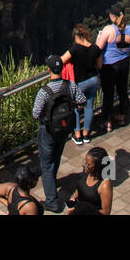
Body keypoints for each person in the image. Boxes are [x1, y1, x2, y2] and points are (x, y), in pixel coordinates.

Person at [32, 55, 88, 213]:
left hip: (48, 131)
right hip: (64, 129)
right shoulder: (70, 86)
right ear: (62, 69)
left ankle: (52, 202)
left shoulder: (44, 91)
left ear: (49, 70)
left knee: (46, 164)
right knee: (56, 157)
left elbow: (36, 114)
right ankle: (51, 182)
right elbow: (82, 100)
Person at [62, 23, 103, 144]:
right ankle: (86, 134)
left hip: (79, 83)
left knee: (75, 107)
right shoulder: (96, 48)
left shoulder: (74, 49)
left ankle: (77, 134)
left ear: (76, 36)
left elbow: (61, 60)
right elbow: (99, 66)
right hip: (93, 80)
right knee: (89, 106)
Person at [97, 5, 130, 131]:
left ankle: (107, 122)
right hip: (125, 63)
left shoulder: (108, 30)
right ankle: (122, 117)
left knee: (108, 94)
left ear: (113, 16)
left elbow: (97, 49)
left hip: (110, 66)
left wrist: (99, 37)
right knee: (123, 90)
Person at [68, 146, 114, 215]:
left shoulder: (105, 184)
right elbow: (79, 190)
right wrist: (73, 200)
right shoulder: (85, 173)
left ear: (98, 166)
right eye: (85, 162)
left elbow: (105, 212)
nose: (85, 166)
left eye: (89, 164)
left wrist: (81, 209)